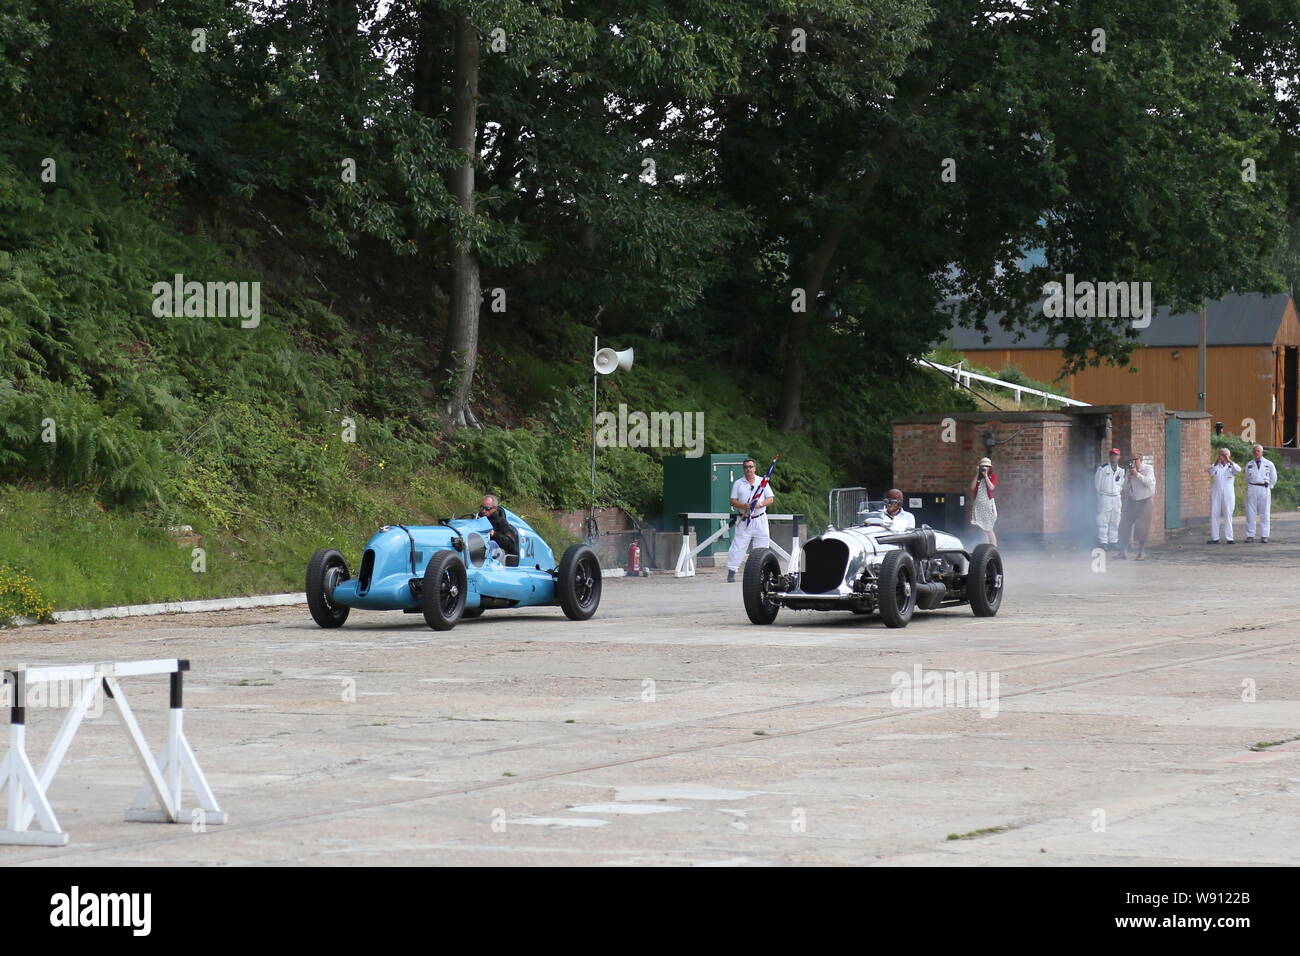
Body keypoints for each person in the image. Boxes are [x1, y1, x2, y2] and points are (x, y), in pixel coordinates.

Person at [726, 457, 774, 583]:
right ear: (744, 469)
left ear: (755, 468)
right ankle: (731, 572)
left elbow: (770, 499)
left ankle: (762, 573)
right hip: (744, 518)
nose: (749, 469)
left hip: (759, 518)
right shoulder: (738, 483)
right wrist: (744, 506)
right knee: (738, 545)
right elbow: (732, 501)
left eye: (751, 467)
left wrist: (760, 504)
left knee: (762, 545)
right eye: (746, 467)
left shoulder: (762, 482)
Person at [1116, 451, 1156, 560]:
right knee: (1124, 524)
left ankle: (1141, 552)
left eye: (1134, 461)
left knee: (1142, 527)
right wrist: (1128, 480)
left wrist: (1137, 475)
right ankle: (1123, 551)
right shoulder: (1128, 472)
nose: (1132, 463)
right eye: (1130, 462)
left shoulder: (1148, 469)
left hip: (1145, 501)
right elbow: (1124, 488)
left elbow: (1149, 483)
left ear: (1140, 460)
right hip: (1132, 501)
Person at [1206, 447, 1242, 544]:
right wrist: (1217, 461)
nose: (1224, 457)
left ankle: (1229, 538)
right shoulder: (1215, 466)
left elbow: (1238, 470)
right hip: (1216, 492)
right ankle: (1215, 538)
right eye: (1222, 455)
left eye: (1225, 455)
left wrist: (1229, 460)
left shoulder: (1231, 467)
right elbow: (1209, 471)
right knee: (1214, 514)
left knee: (1228, 514)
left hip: (1228, 493)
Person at [1244, 444, 1277, 543]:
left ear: (1262, 452)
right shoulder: (1249, 464)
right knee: (1250, 512)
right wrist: (1250, 485)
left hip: (1264, 488)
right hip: (1252, 487)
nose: (1256, 452)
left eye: (1258, 451)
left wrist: (1269, 486)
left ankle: (1264, 535)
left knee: (1265, 513)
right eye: (1255, 451)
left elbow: (1274, 477)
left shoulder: (1269, 464)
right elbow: (1246, 477)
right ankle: (1250, 535)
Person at [1095, 447, 1124, 551]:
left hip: (1116, 497)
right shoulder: (1102, 469)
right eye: (1112, 455)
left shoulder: (1121, 471)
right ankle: (1103, 542)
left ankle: (1113, 541)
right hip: (1105, 496)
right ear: (1109, 456)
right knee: (1103, 520)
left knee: (1115, 520)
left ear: (1119, 457)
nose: (1114, 457)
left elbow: (1121, 484)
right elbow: (1097, 484)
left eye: (1116, 455)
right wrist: (1102, 496)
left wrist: (1117, 493)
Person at [969, 457, 998, 546]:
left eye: (987, 466)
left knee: (989, 528)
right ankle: (986, 548)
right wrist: (978, 474)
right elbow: (972, 487)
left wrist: (985, 475)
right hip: (978, 505)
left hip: (988, 505)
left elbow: (991, 487)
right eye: (983, 466)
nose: (985, 468)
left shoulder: (992, 476)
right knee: (982, 528)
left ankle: (993, 548)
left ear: (990, 468)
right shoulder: (978, 477)